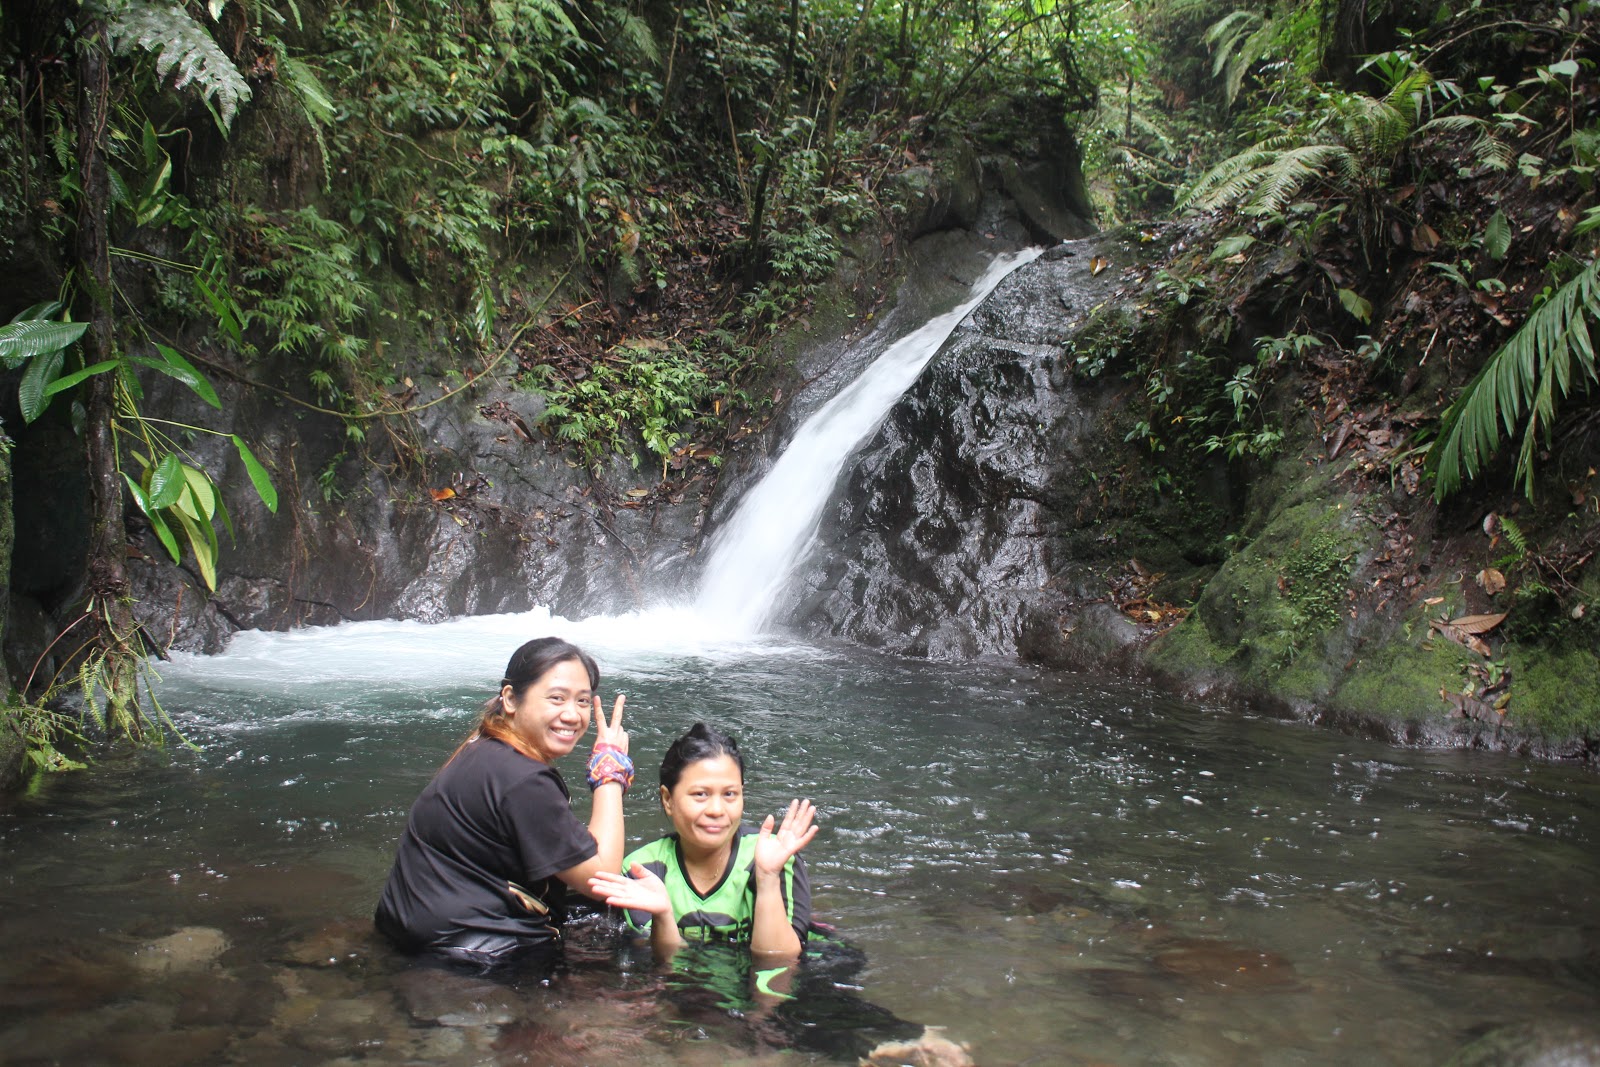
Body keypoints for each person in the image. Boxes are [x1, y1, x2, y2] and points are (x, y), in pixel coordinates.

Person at [374, 636, 633, 970]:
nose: (572, 715)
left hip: (411, 934)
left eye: (583, 701)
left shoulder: (482, 745)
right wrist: (609, 771)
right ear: (510, 699)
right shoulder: (525, 781)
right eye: (556, 698)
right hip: (474, 958)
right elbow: (604, 880)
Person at [587, 722, 817, 960]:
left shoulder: (773, 856)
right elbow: (662, 967)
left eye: (730, 794)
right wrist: (663, 914)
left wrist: (768, 878)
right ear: (667, 799)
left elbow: (781, 964)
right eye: (700, 794)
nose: (716, 810)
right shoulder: (643, 870)